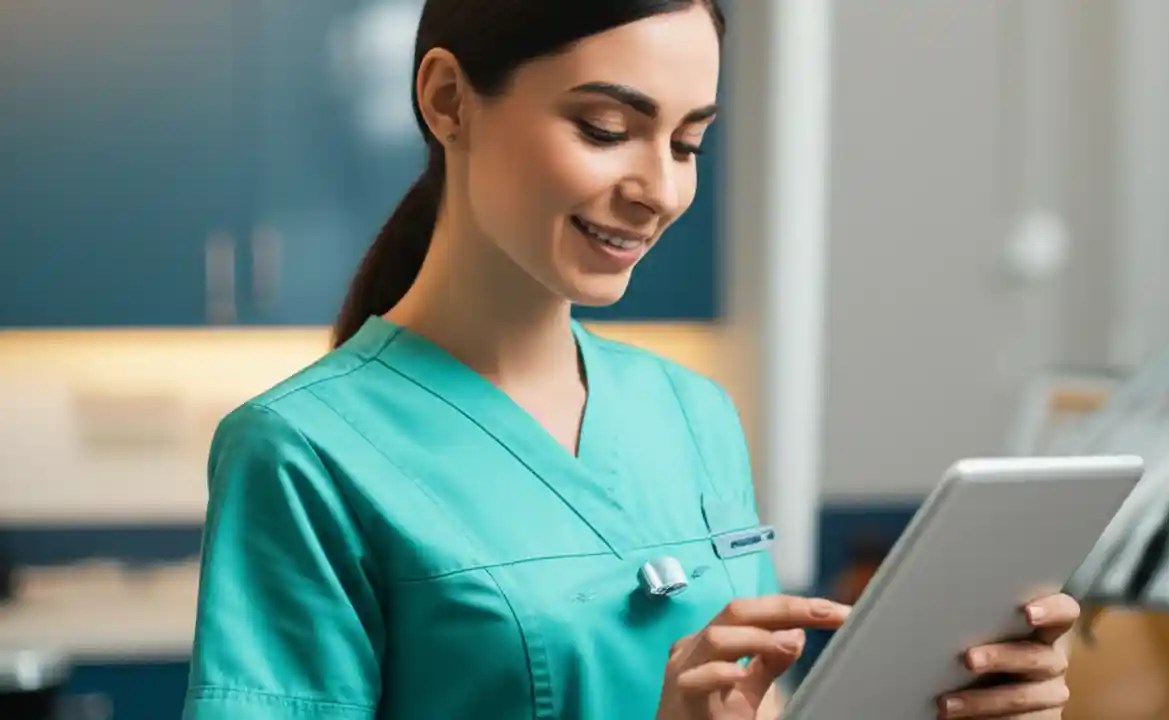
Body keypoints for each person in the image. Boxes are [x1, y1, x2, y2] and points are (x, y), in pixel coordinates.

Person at [182, 1, 1080, 718]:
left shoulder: (694, 413)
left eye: (688, 143)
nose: (660, 190)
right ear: (448, 99)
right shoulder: (301, 452)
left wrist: (961, 699)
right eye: (608, 127)